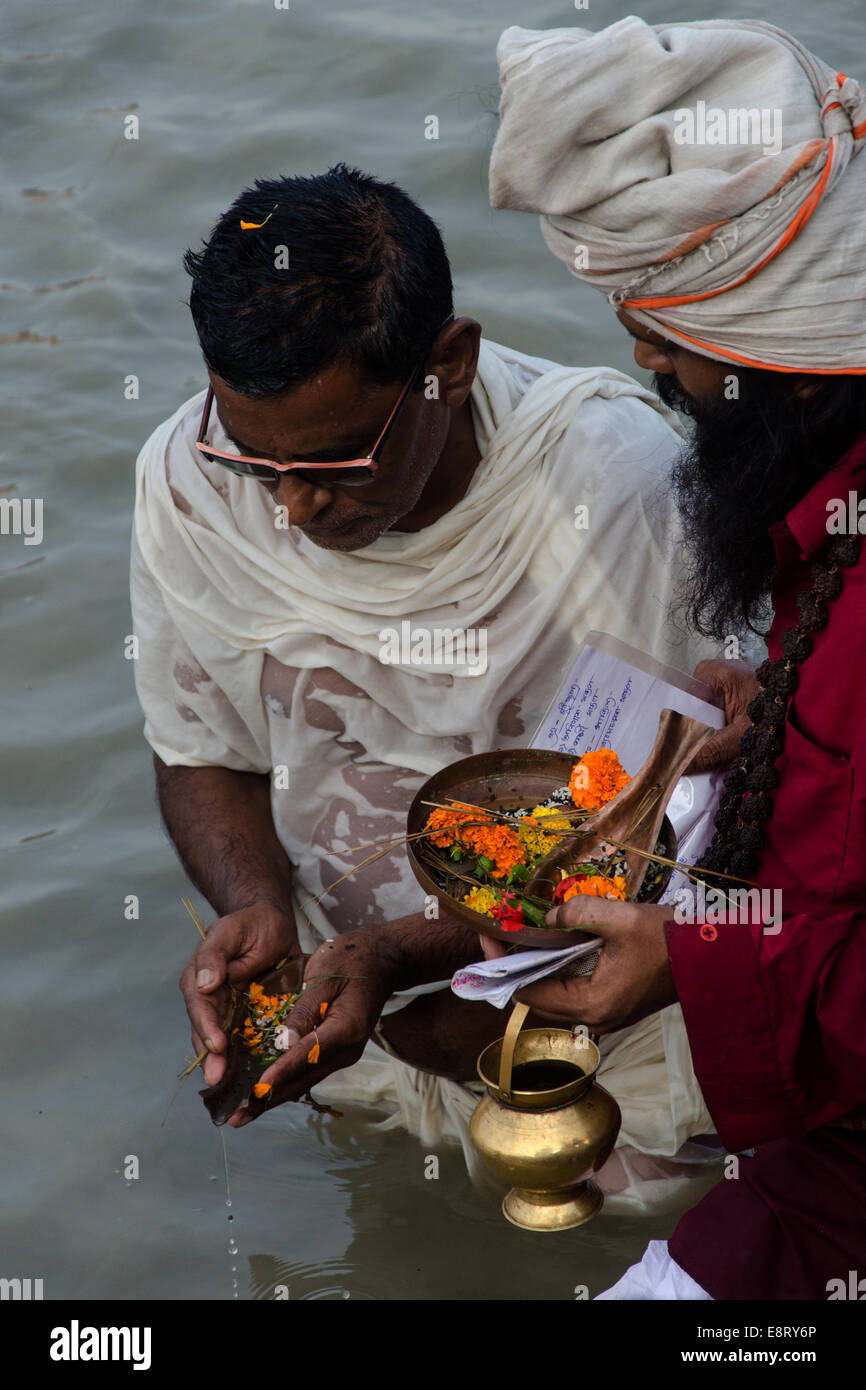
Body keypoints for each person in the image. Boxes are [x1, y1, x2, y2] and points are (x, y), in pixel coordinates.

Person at [132, 163, 718, 1169]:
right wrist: (257, 907)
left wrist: (397, 956)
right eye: (254, 459)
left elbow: (644, 828)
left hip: (594, 1036)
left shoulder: (613, 487)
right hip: (346, 1025)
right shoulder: (189, 480)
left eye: (334, 466)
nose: (288, 509)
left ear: (448, 361)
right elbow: (202, 751)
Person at [486, 16, 866, 1298]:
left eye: (667, 335)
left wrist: (687, 958)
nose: (643, 362)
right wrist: (781, 723)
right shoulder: (834, 505)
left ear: (791, 359)